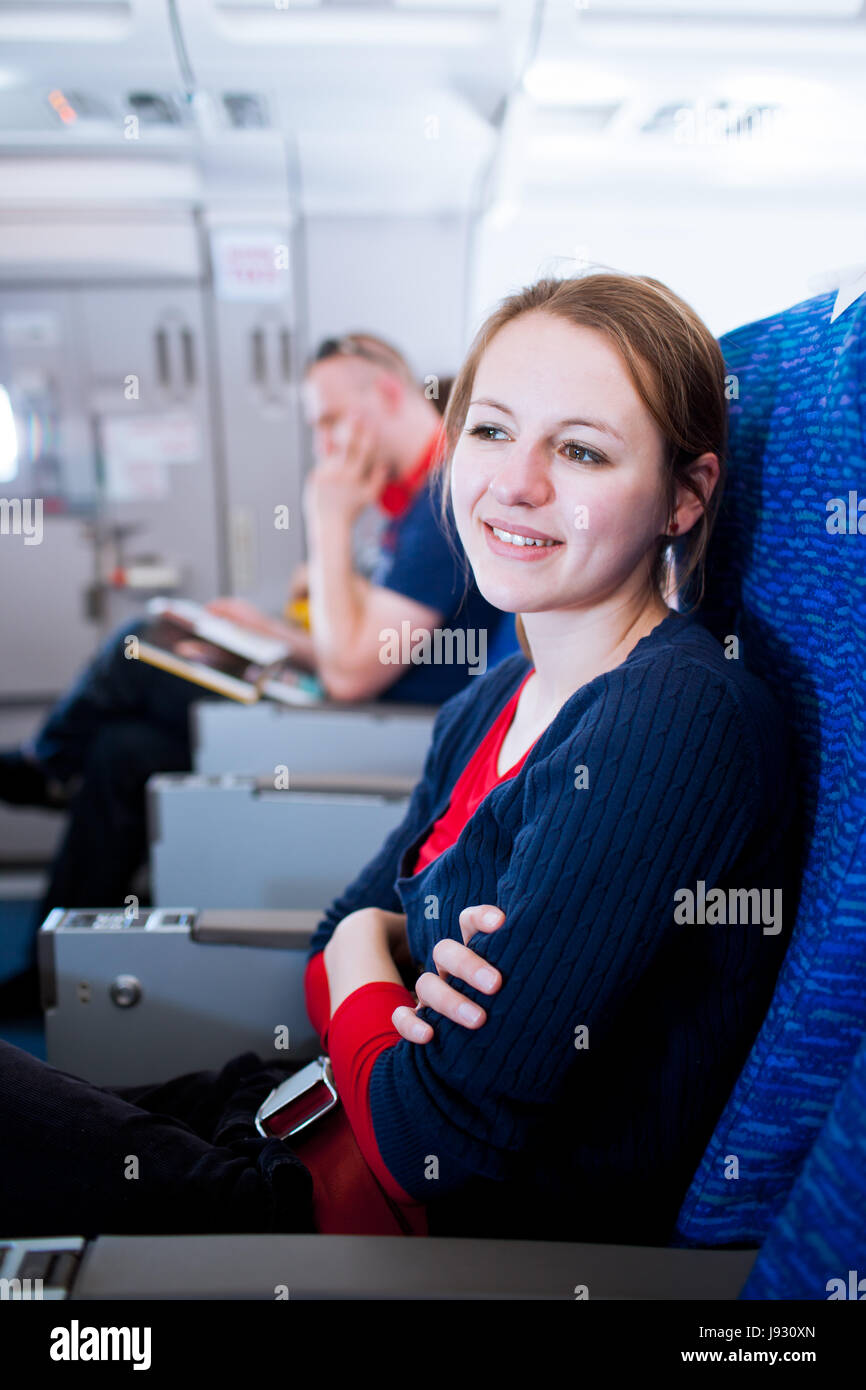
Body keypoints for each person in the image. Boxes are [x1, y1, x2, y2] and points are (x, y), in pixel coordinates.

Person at [0, 272, 796, 1246]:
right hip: (304, 1114)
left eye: (580, 450)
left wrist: (364, 953)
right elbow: (329, 934)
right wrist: (369, 959)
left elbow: (434, 1142)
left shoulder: (673, 720)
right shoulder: (490, 699)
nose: (515, 482)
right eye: (491, 430)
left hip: (383, 1232)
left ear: (682, 497)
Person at [0, 335, 513, 955]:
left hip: (377, 727)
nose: (325, 445)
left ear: (384, 393)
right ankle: (47, 964)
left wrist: (325, 517)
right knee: (122, 752)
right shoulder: (413, 505)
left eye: (329, 421)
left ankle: (44, 763)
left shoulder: (441, 500)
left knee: (142, 643)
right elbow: (361, 646)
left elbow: (352, 674)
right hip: (359, 708)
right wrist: (267, 631)